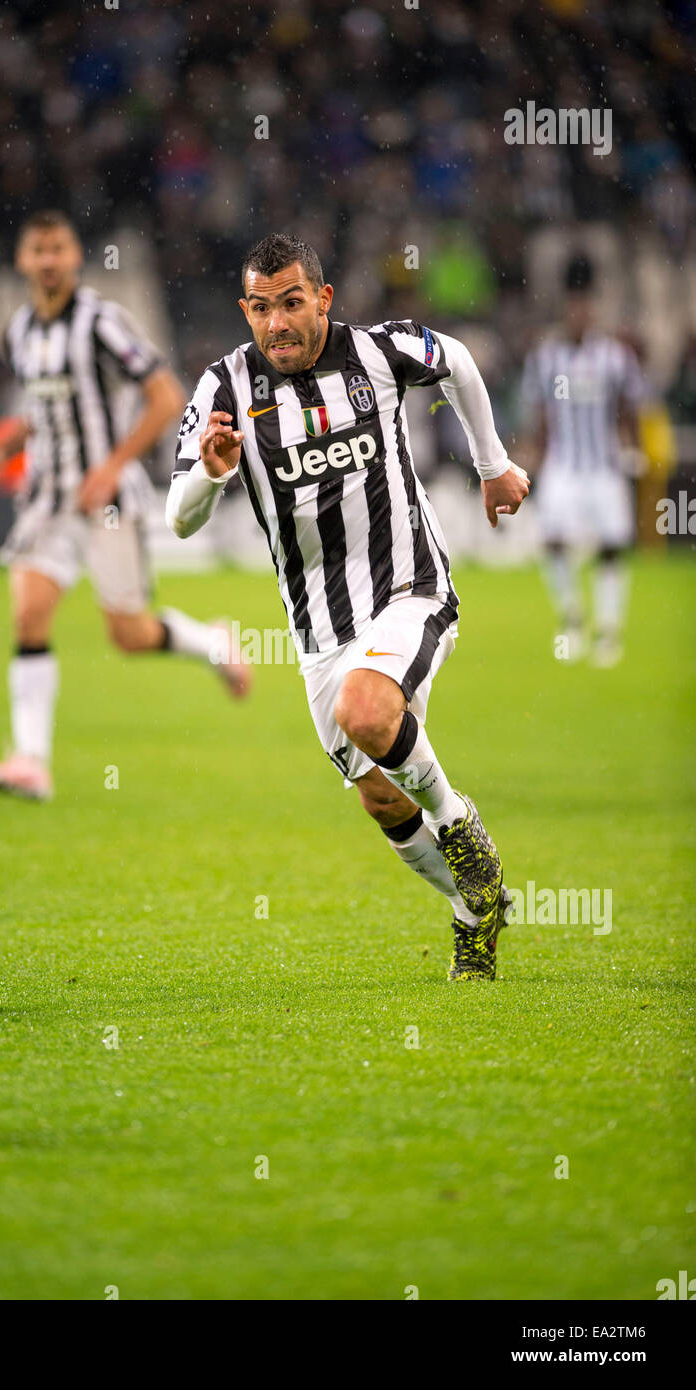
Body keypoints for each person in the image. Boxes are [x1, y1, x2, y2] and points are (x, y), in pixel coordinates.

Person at [167, 233, 530, 981]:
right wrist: (208, 473)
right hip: (318, 633)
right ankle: (475, 906)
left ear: (322, 299)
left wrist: (492, 467)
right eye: (261, 309)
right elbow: (178, 519)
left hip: (410, 588)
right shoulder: (223, 389)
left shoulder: (379, 352)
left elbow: (456, 360)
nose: (278, 324)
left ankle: (462, 829)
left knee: (368, 713)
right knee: (379, 799)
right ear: (245, 310)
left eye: (292, 302)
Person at [0, 210, 251, 801]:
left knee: (129, 634)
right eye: (37, 250)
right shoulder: (18, 330)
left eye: (58, 249)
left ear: (74, 258)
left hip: (110, 500)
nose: (48, 260)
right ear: (23, 261)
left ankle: (213, 644)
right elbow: (37, 413)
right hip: (47, 500)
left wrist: (112, 466)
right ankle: (31, 761)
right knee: (28, 615)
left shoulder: (101, 322)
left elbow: (165, 394)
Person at [520, 255, 645, 666]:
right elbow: (540, 412)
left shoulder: (613, 356)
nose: (579, 315)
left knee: (611, 547)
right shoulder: (547, 358)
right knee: (553, 541)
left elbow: (630, 405)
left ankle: (608, 630)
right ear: (566, 313)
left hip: (604, 466)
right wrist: (534, 458)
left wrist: (634, 449)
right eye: (573, 309)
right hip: (564, 466)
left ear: (592, 313)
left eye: (585, 308)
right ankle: (572, 619)